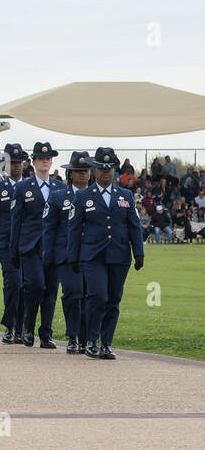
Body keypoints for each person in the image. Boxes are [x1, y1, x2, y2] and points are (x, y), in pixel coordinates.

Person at [67, 147, 144, 359]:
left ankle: (106, 343)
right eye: (102, 168)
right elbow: (73, 229)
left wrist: (139, 252)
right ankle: (92, 340)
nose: (106, 172)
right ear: (95, 169)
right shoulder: (83, 196)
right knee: (97, 295)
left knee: (113, 299)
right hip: (92, 256)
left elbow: (134, 225)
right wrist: (73, 257)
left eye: (110, 169)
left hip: (119, 255)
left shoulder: (126, 195)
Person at [9, 142, 60, 347]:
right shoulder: (23, 188)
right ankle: (27, 326)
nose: (44, 161)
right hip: (31, 246)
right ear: (34, 161)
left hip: (53, 248)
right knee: (35, 286)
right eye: (41, 158)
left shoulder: (60, 187)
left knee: (50, 290)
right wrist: (14, 250)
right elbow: (16, 221)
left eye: (47, 158)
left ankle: (46, 333)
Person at [42, 150, 92, 353]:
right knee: (73, 293)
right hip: (65, 255)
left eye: (85, 171)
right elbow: (49, 229)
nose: (82, 175)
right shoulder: (58, 197)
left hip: (91, 254)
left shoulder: (96, 196)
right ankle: (73, 336)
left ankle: (87, 337)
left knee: (90, 296)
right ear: (70, 174)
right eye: (78, 171)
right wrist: (47, 257)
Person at [0, 143, 28, 343]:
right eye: (13, 162)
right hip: (6, 245)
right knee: (13, 284)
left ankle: (22, 326)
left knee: (28, 286)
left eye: (19, 162)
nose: (17, 166)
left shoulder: (30, 187)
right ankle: (11, 326)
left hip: (28, 244)